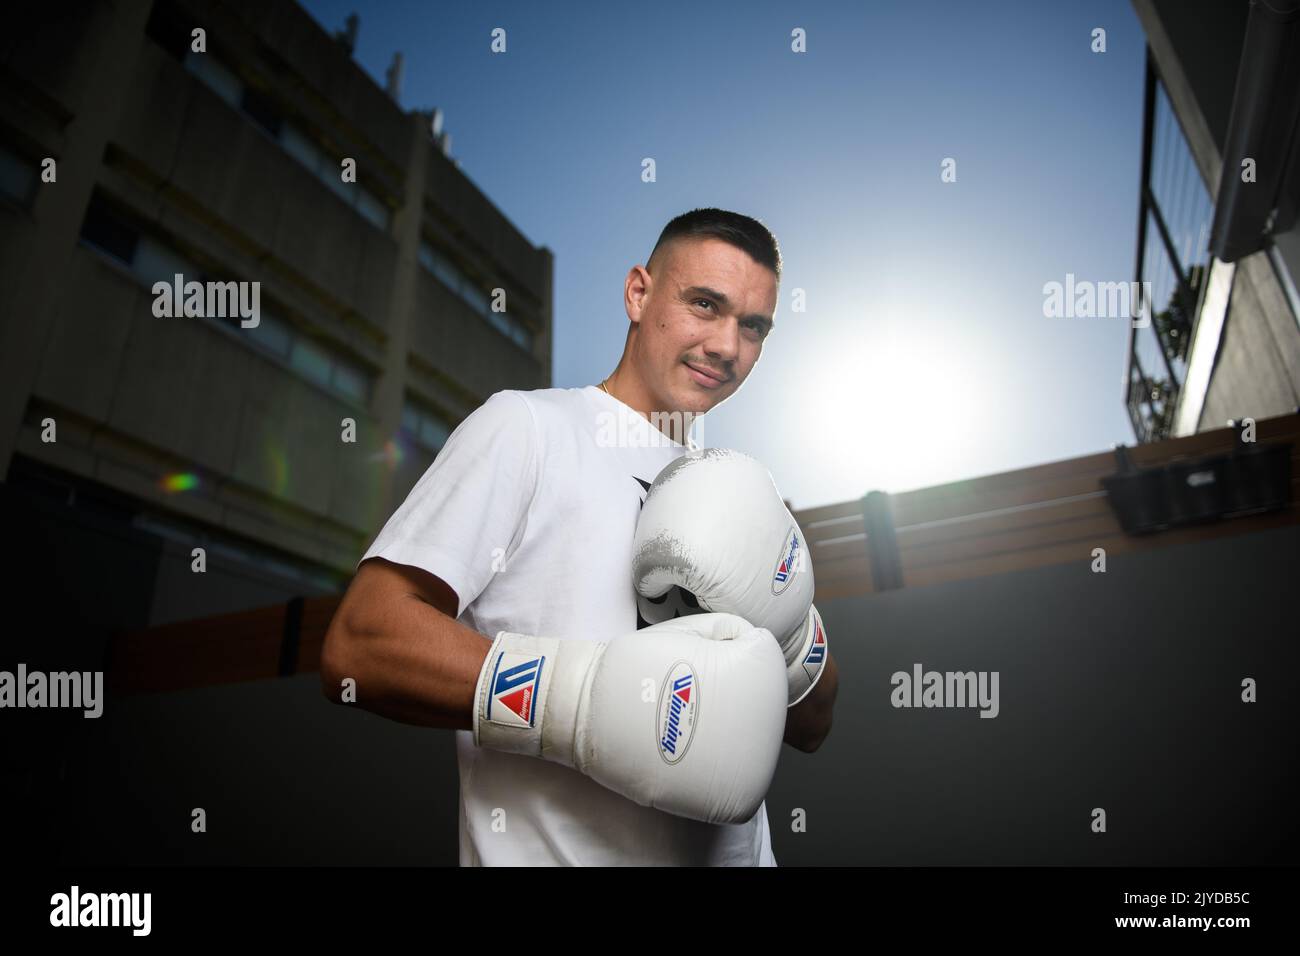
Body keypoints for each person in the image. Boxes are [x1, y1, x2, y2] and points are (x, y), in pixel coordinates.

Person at [320, 207, 839, 865]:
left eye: (753, 326)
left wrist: (789, 629)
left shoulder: (737, 490)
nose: (727, 347)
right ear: (638, 293)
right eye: (705, 305)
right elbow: (361, 644)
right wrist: (578, 699)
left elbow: (813, 725)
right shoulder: (529, 428)